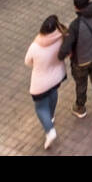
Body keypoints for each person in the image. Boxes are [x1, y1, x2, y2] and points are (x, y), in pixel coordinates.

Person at [24, 14, 67, 150]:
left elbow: (27, 62)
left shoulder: (36, 46)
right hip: (57, 76)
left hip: (41, 83)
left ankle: (50, 130)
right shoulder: (62, 37)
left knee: (40, 107)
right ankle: (52, 116)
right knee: (53, 93)